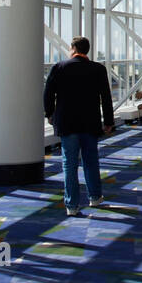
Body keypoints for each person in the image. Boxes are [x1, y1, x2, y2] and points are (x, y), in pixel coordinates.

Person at [44, 37, 114, 216]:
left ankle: (72, 205)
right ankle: (95, 197)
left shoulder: (59, 67)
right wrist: (108, 121)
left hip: (67, 123)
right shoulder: (98, 69)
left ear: (73, 49)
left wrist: (50, 114)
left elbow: (48, 93)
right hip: (90, 122)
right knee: (91, 160)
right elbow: (106, 97)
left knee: (69, 164)